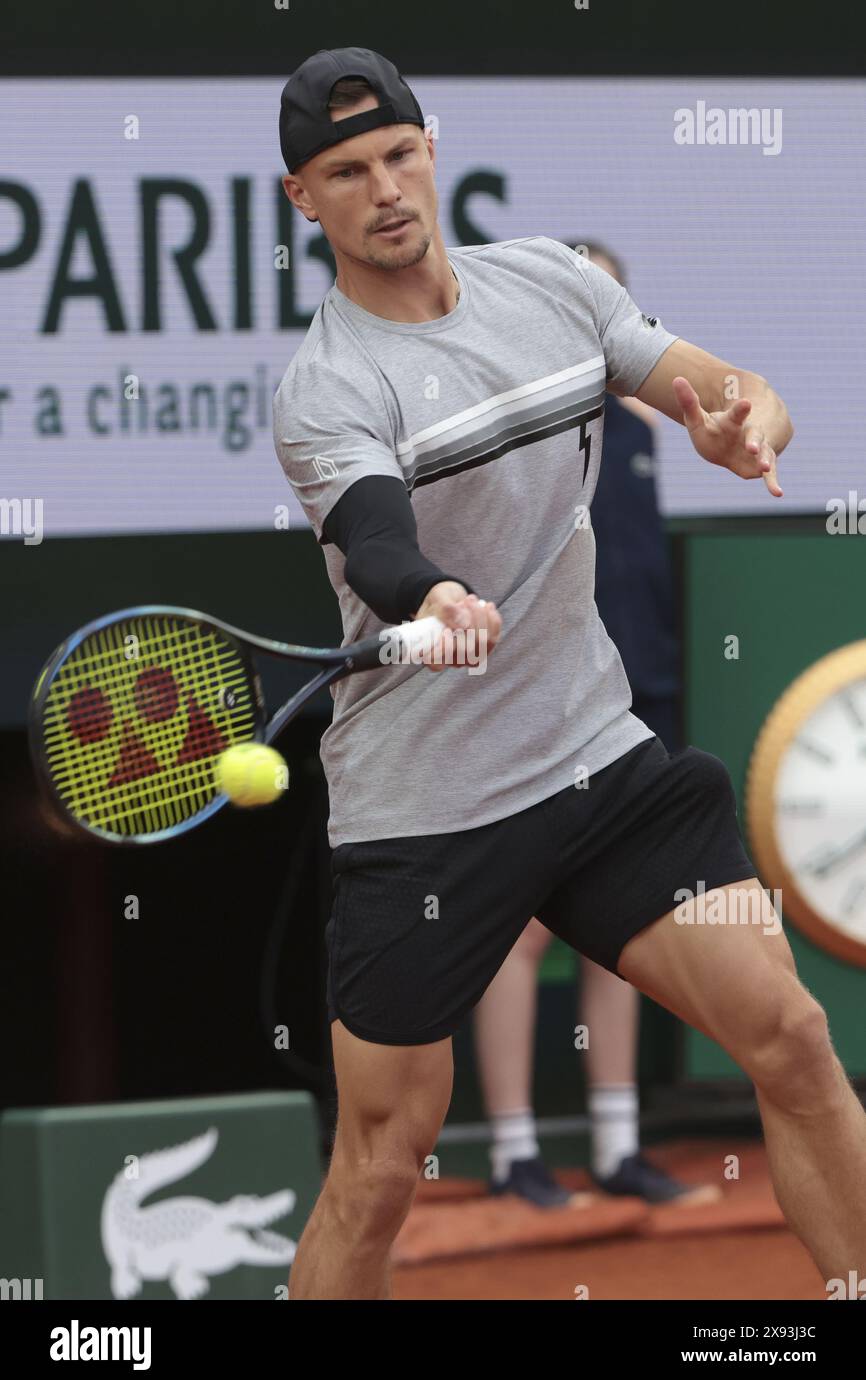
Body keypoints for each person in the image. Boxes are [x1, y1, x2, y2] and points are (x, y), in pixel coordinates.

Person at [272, 47, 865, 1301]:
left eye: (394, 155)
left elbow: (727, 389)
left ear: (430, 149)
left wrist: (742, 415)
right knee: (381, 1165)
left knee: (795, 1038)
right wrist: (430, 593)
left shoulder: (548, 282)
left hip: (601, 772)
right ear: (300, 200)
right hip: (427, 817)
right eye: (343, 172)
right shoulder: (326, 386)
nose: (380, 188)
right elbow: (378, 536)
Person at [472, 241, 699, 1208]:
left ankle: (617, 1147)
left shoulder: (641, 428)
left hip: (638, 698)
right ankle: (515, 1153)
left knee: (630, 927)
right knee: (520, 935)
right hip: (538, 706)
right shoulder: (519, 431)